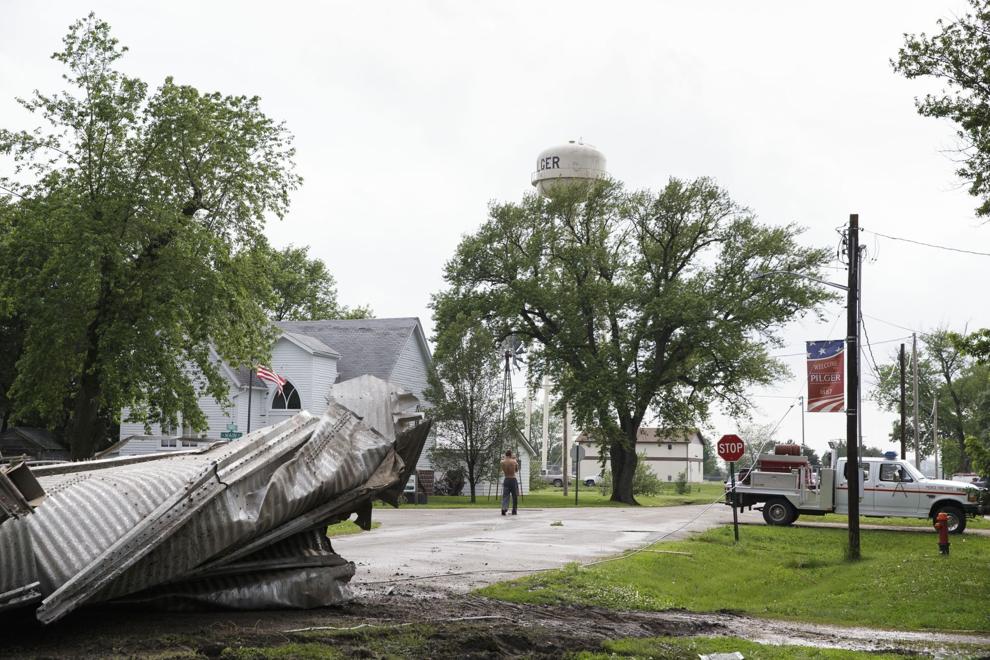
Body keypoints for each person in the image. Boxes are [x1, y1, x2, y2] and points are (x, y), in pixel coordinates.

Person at [500, 449, 519, 516]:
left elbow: (502, 469)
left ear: (506, 454)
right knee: (514, 496)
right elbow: (516, 470)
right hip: (513, 479)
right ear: (511, 454)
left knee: (505, 496)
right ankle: (514, 510)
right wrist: (515, 460)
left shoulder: (502, 462)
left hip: (506, 479)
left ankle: (504, 509)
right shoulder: (514, 461)